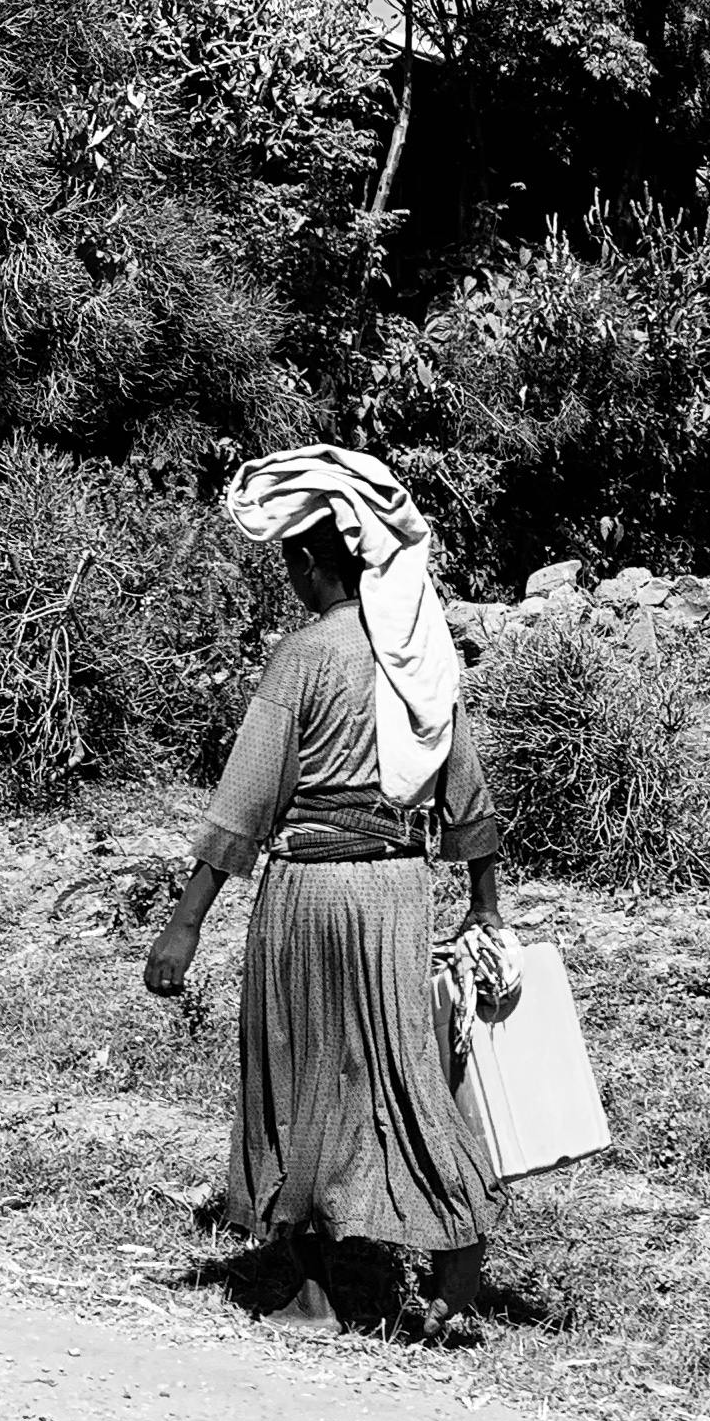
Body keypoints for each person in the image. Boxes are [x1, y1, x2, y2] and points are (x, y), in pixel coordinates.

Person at [142, 448, 517, 1320]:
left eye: (292, 568)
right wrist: (485, 906)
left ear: (314, 563)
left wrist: (186, 924)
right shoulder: (419, 653)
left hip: (309, 897)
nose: (293, 584)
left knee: (300, 1075)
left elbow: (246, 802)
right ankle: (456, 1267)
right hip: (395, 895)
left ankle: (311, 1290)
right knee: (406, 1070)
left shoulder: (304, 657)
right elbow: (467, 793)